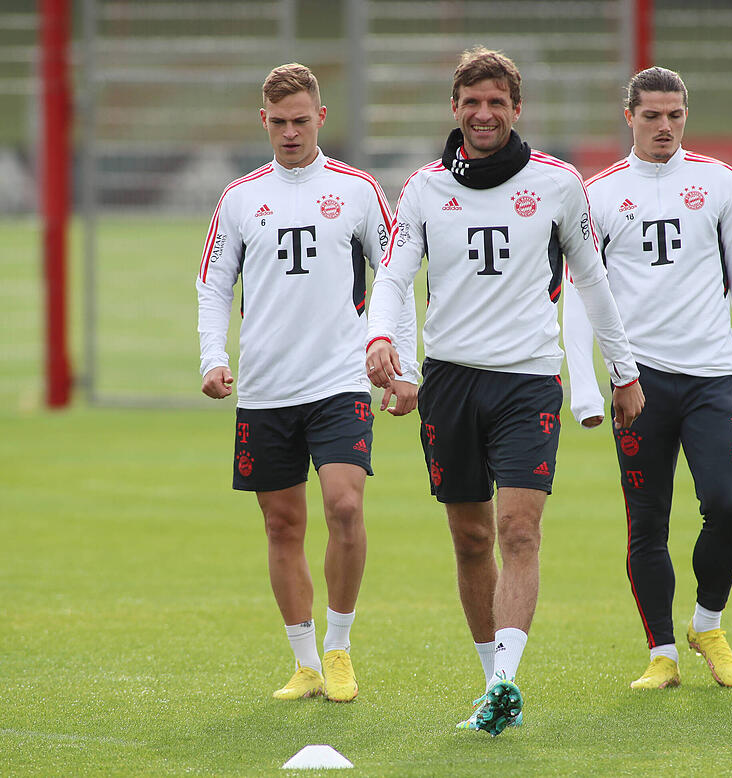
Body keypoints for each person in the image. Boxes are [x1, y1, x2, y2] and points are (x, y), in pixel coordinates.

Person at [364, 47, 645, 735]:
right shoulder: (425, 187)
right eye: (471, 102)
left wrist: (623, 371)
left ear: (516, 109)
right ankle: (490, 678)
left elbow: (594, 280)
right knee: (468, 539)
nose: (483, 114)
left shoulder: (557, 184)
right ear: (455, 110)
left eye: (496, 102)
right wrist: (380, 342)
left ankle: (503, 686)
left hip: (527, 381)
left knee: (518, 530)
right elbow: (396, 277)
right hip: (451, 382)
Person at [196, 63, 418, 703]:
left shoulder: (356, 190)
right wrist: (213, 356)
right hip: (265, 385)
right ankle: (304, 663)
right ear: (262, 120)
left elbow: (395, 278)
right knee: (281, 524)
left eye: (302, 120)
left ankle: (340, 646)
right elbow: (213, 284)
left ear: (321, 118)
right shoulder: (239, 199)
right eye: (279, 121)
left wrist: (400, 365)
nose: (290, 132)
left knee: (345, 507)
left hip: (340, 377)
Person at [563, 66, 732, 691]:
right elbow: (577, 295)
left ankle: (707, 622)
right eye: (652, 115)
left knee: (724, 505)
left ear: (686, 116)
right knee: (646, 519)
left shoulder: (719, 184)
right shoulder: (597, 194)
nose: (664, 126)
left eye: (674, 115)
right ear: (628, 116)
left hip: (711, 377)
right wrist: (585, 386)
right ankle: (662, 653)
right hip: (639, 383)